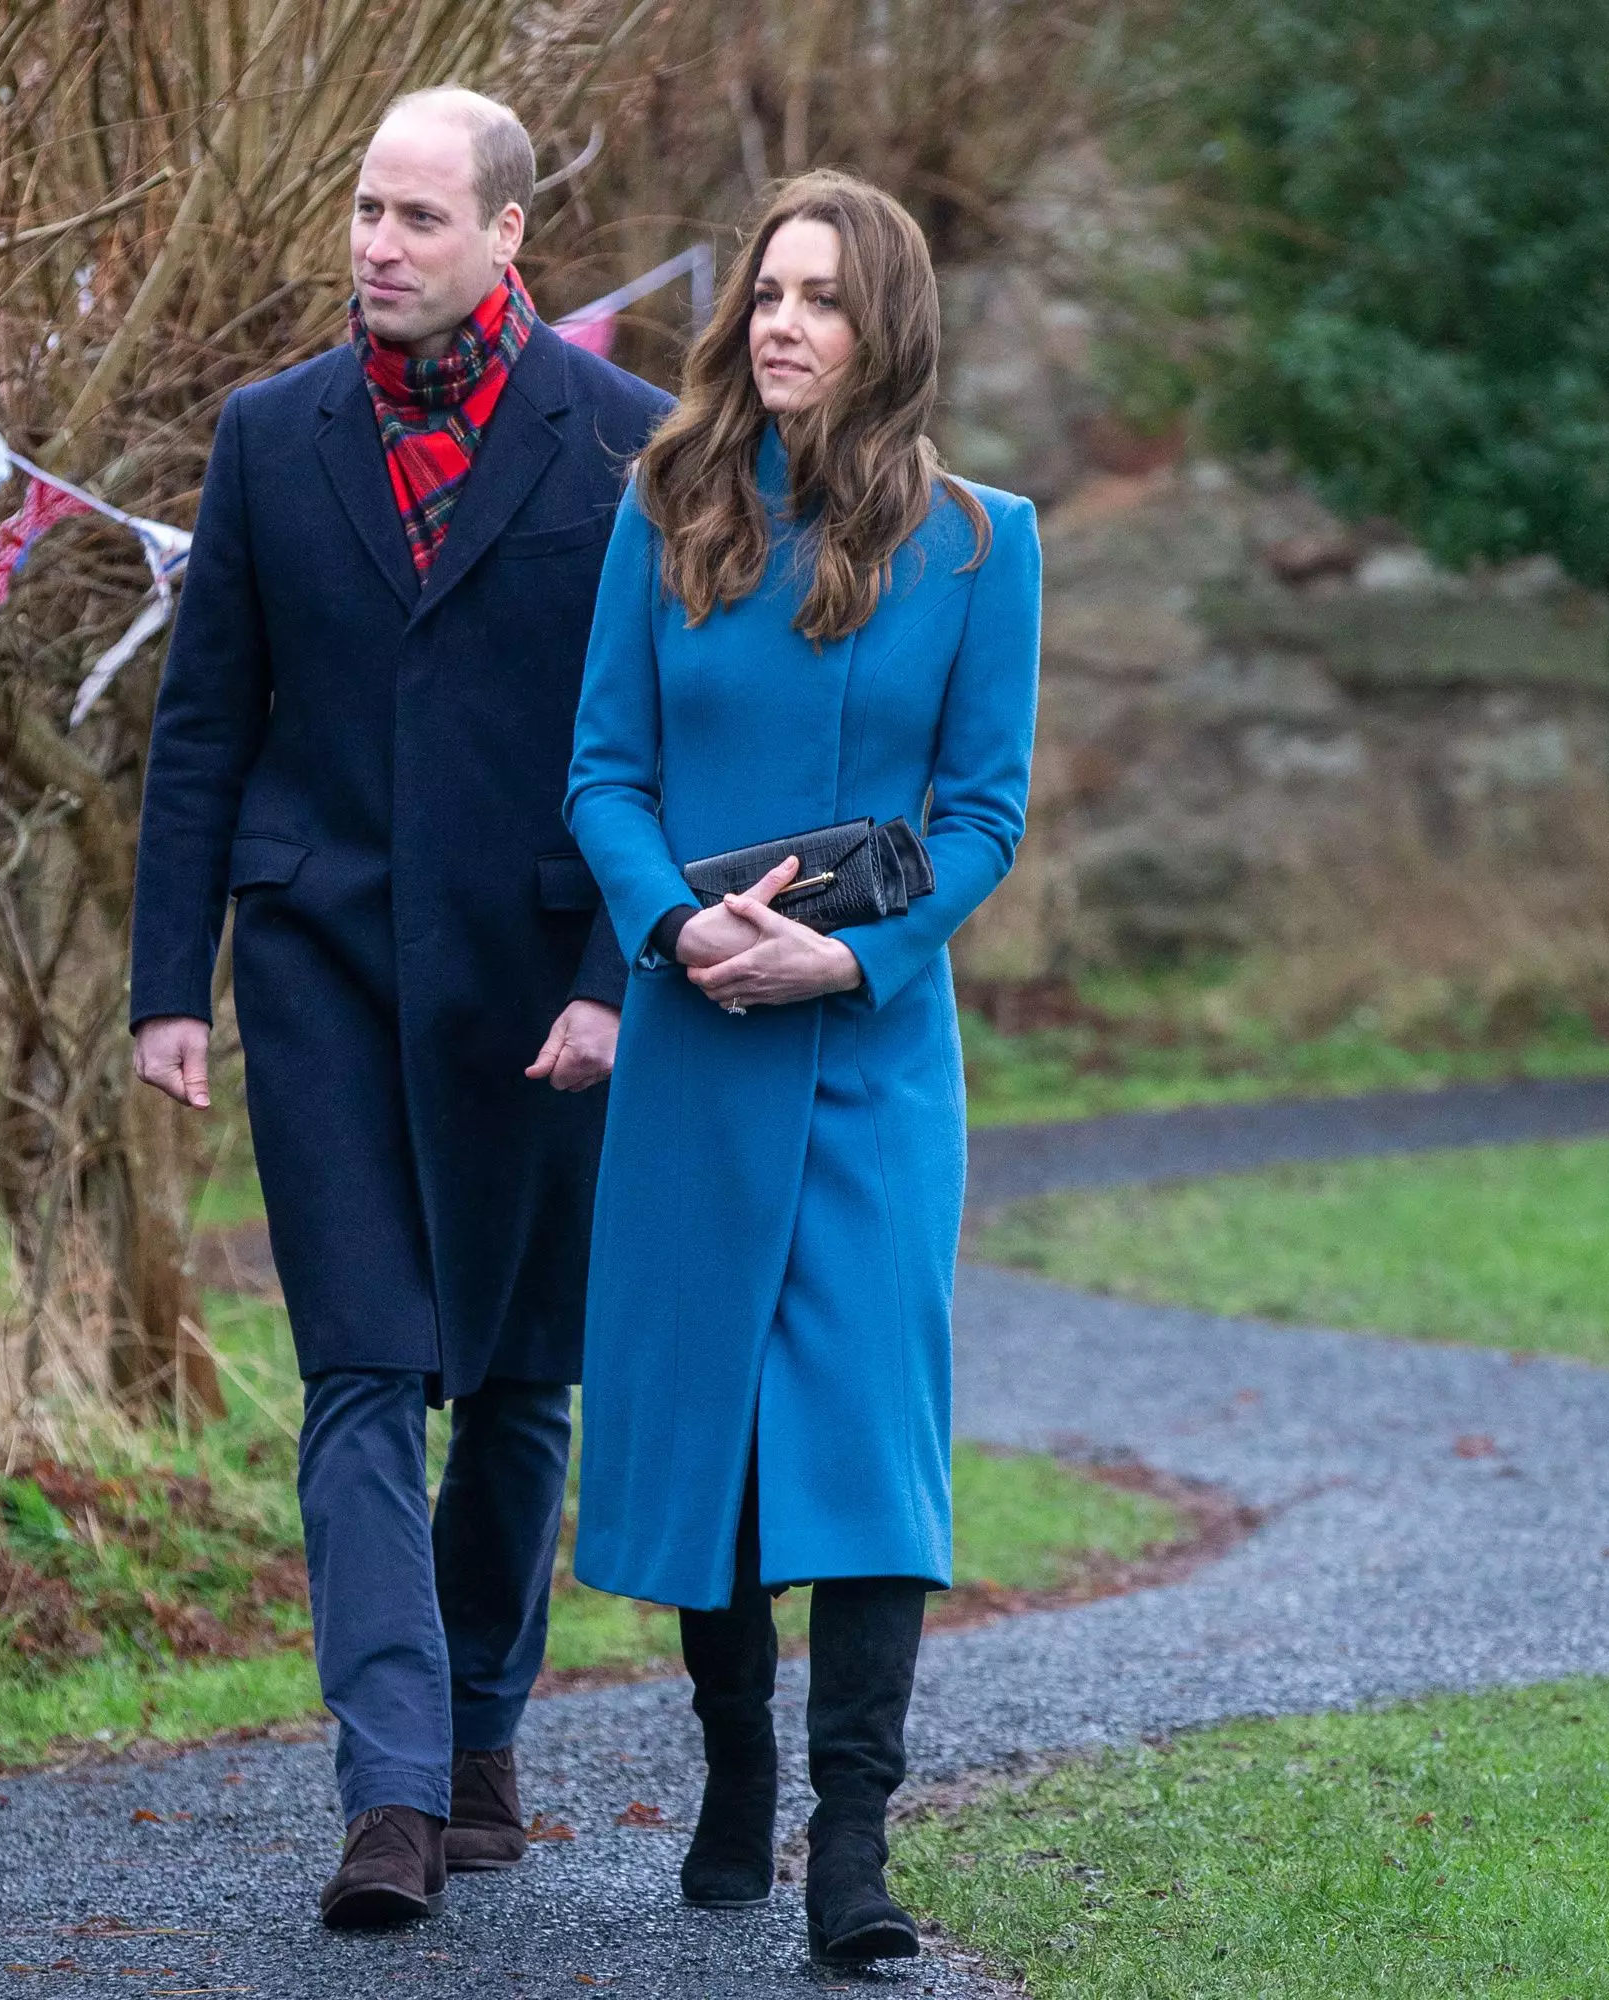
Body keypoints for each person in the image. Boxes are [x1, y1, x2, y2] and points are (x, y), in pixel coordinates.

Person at [129, 87, 673, 1927]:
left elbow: (661, 747)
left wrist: (620, 979)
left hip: (542, 986)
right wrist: (167, 986)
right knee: (362, 1371)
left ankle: (481, 1734)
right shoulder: (270, 436)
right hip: (326, 976)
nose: (378, 243)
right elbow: (204, 721)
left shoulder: (628, 446)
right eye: (365, 208)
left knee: (519, 1385)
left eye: (420, 217)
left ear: (509, 237)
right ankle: (388, 1788)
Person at [562, 170, 1041, 1964]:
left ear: (886, 328)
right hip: (696, 1046)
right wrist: (676, 934)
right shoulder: (666, 511)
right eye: (769, 290)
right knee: (721, 1447)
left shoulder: (986, 546)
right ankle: (736, 1774)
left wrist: (851, 950)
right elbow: (604, 769)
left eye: (824, 298)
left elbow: (985, 817)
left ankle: (855, 1845)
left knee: (866, 1443)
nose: (782, 322)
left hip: (873, 1064)